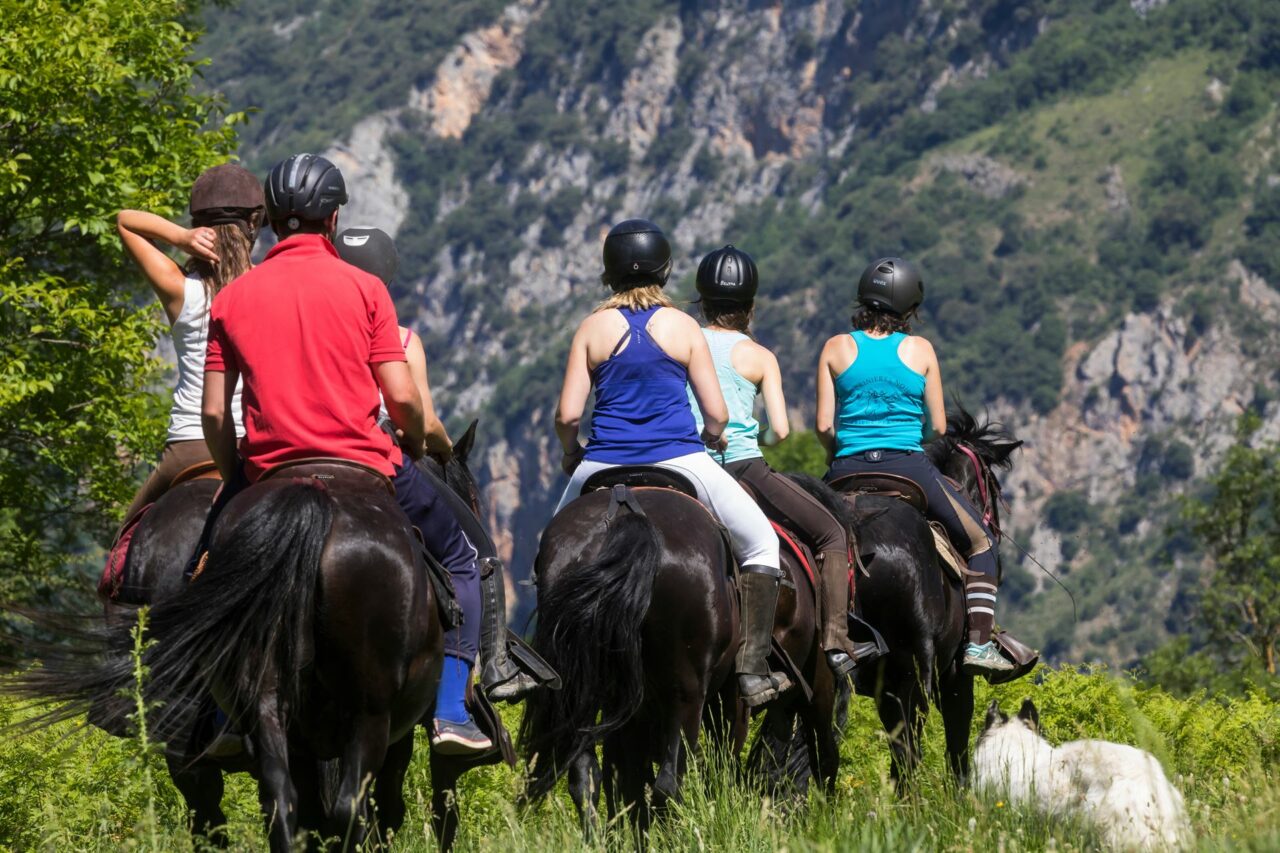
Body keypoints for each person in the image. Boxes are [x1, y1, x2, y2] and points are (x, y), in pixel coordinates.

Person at [199, 153, 492, 753]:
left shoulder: (232, 298)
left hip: (267, 469)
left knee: (203, 574)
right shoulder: (365, 289)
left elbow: (212, 412)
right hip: (365, 462)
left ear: (273, 221)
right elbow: (403, 398)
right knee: (466, 558)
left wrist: (237, 476)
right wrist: (409, 442)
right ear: (332, 220)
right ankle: (453, 711)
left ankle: (224, 716)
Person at [553, 219, 791, 707]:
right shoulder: (683, 326)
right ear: (664, 269)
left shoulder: (591, 328)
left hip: (600, 465)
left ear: (608, 271)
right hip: (682, 460)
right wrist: (711, 437)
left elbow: (568, 414)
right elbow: (717, 413)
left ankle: (550, 666)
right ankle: (750, 669)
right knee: (763, 545)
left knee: (552, 556)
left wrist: (570, 452)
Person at [336, 226, 538, 701]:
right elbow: (420, 421)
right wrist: (443, 449)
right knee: (480, 553)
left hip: (308, 449)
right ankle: (490, 672)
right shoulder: (401, 338)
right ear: (384, 282)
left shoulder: (311, 326)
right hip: (383, 454)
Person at [815, 257, 1013, 675]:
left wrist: (842, 451)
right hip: (907, 466)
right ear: (909, 308)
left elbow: (822, 425)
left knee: (812, 543)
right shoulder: (920, 350)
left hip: (845, 469)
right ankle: (978, 645)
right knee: (981, 543)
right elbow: (939, 426)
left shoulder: (836, 347)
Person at [688, 245, 879, 678]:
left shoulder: (685, 341)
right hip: (742, 468)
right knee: (830, 532)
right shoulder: (758, 356)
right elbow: (781, 431)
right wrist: (758, 436)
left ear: (701, 301)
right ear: (750, 307)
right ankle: (835, 640)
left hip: (686, 466)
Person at [114, 164, 262, 525]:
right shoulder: (270, 286)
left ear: (199, 224)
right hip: (254, 447)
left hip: (189, 446)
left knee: (121, 553)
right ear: (255, 224)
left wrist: (180, 237)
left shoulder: (181, 288)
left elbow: (125, 220)